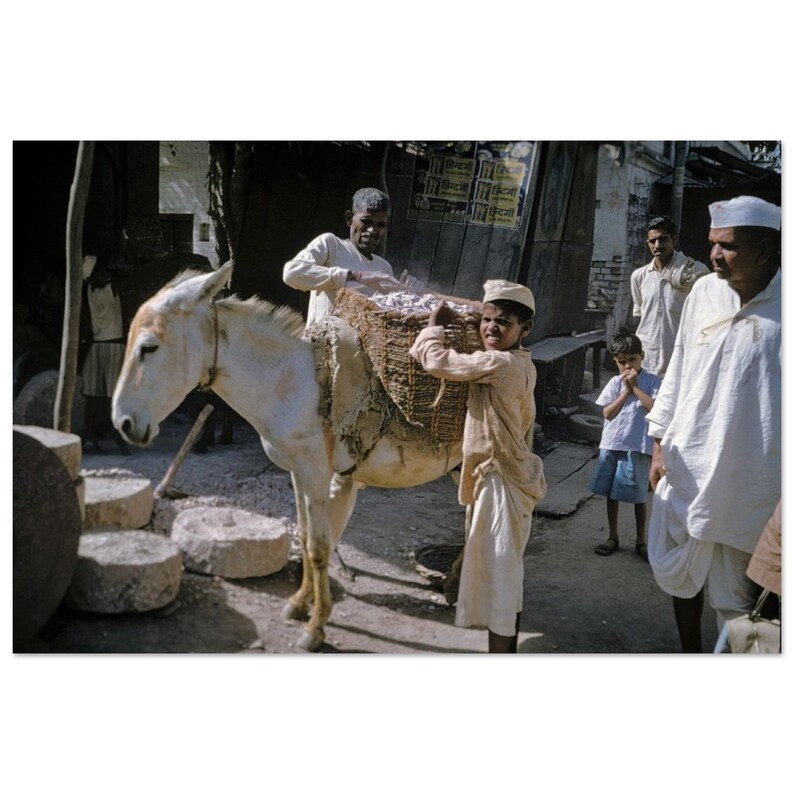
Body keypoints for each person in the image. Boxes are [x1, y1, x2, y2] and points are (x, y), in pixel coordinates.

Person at [646, 195, 781, 652]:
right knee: (683, 576)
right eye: (712, 244)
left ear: (765, 250)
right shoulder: (704, 291)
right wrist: (659, 439)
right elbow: (679, 366)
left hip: (756, 481)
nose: (714, 256)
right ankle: (691, 655)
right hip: (691, 462)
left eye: (727, 246)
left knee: (745, 600)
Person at [409, 279, 547, 653]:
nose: (491, 329)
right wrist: (475, 316)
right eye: (486, 320)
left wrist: (435, 325)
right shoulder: (522, 361)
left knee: (501, 578)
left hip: (500, 481)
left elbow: (437, 361)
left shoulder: (500, 364)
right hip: (505, 475)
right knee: (505, 575)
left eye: (503, 322)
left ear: (525, 328)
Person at [283, 186, 420, 327]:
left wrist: (405, 294)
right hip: (321, 347)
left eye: (380, 225)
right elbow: (291, 273)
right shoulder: (331, 245)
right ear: (349, 219)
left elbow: (384, 320)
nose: (373, 230)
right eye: (366, 221)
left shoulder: (384, 267)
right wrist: (350, 276)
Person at [588, 329, 661, 560]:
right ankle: (613, 536)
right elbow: (607, 413)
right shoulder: (614, 383)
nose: (628, 366)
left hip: (637, 446)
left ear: (642, 356)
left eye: (632, 360)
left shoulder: (652, 381)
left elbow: (656, 410)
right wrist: (626, 391)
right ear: (615, 362)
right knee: (611, 493)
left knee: (639, 496)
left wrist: (636, 388)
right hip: (612, 443)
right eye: (622, 362)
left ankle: (641, 541)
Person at [630, 216, 709, 377]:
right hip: (648, 357)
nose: (657, 245)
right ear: (648, 244)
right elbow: (639, 317)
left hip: (681, 357)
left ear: (674, 240)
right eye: (653, 241)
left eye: (663, 239)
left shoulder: (695, 272)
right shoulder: (639, 276)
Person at [81, 254, 130, 454]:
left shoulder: (91, 290)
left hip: (99, 348)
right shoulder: (106, 291)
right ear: (92, 278)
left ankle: (90, 435)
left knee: (96, 397)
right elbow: (130, 281)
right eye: (101, 273)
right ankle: (117, 436)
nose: (106, 275)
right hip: (112, 349)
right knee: (114, 396)